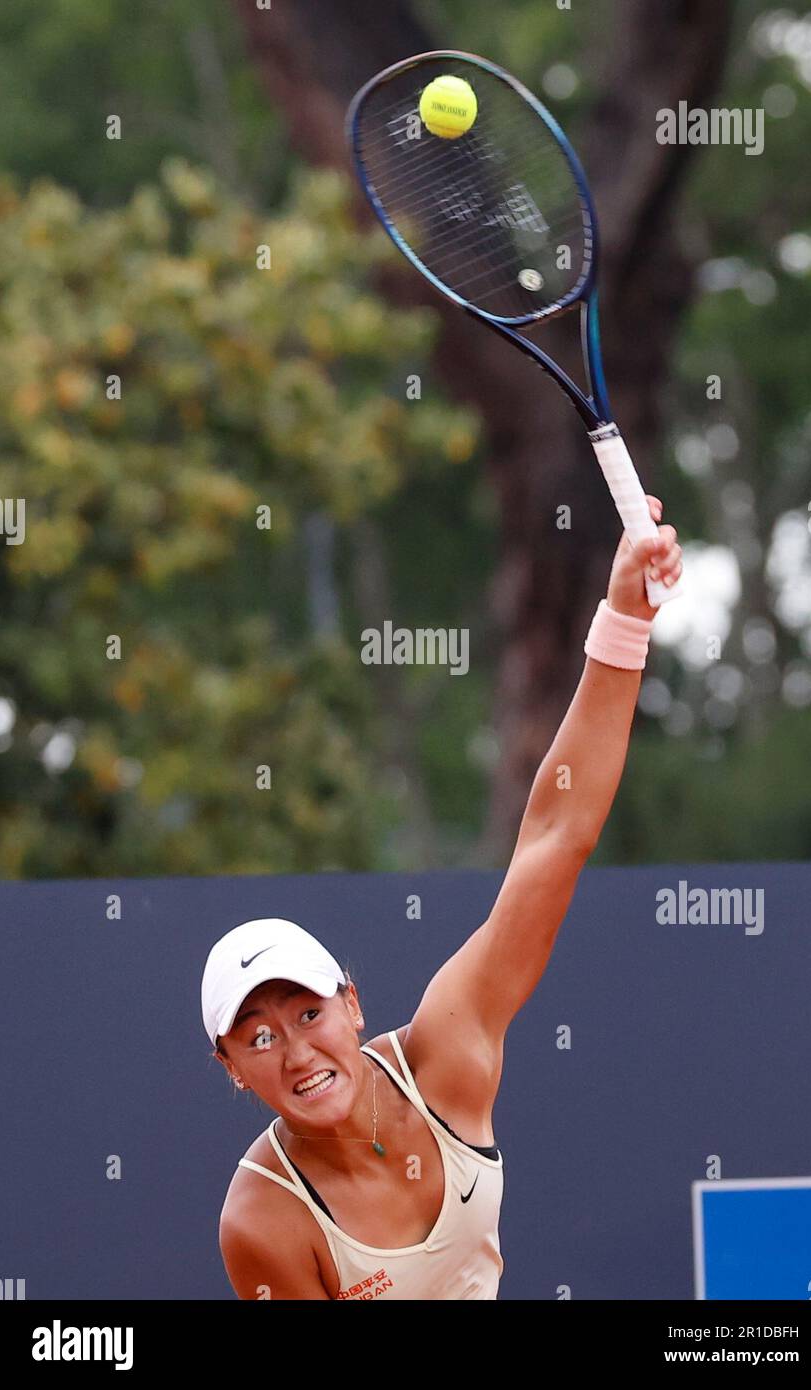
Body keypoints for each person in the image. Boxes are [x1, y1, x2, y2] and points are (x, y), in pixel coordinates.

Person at [201, 496, 682, 1300]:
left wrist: (624, 616)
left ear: (352, 1005)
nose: (295, 1052)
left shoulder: (447, 1053)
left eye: (308, 1014)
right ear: (231, 1070)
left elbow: (554, 839)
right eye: (257, 1038)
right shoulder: (261, 1223)